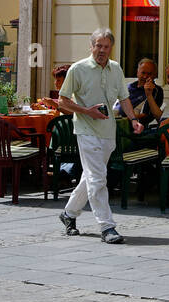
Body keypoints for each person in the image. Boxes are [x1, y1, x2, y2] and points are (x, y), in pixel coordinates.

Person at [56, 29, 145, 244]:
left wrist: (133, 119)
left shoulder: (116, 68)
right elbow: (62, 101)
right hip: (86, 131)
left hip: (108, 132)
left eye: (106, 46)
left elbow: (124, 98)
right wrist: (87, 111)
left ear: (111, 48)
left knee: (91, 177)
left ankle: (68, 214)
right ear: (91, 46)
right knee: (98, 179)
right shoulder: (78, 69)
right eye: (98, 45)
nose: (101, 50)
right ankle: (107, 227)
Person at [120, 58, 163, 125]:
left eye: (149, 74)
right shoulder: (129, 87)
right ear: (137, 72)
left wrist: (126, 119)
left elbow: (146, 116)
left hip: (133, 125)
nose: (145, 76)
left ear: (154, 75)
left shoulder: (155, 90)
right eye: (143, 73)